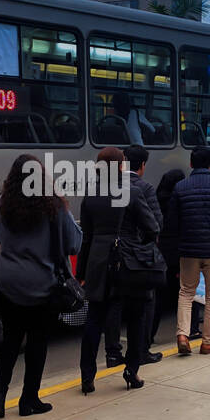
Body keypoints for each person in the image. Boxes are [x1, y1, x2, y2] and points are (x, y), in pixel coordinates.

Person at [0, 154, 81, 415]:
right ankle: (29, 400)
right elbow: (73, 243)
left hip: (6, 282)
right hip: (41, 283)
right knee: (37, 342)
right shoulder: (54, 204)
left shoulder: (2, 201)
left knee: (10, 341)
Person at [78, 148, 159, 391]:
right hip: (129, 262)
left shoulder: (90, 196)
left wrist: (81, 273)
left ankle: (87, 377)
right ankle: (131, 371)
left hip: (99, 264)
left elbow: (86, 238)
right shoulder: (132, 193)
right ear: (121, 167)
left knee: (94, 319)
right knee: (136, 317)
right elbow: (152, 227)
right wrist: (138, 247)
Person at [169, 147, 210, 355]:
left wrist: (181, 244)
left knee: (186, 292)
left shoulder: (180, 187)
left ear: (191, 164)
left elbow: (172, 222)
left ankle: (182, 335)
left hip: (189, 249)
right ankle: (208, 342)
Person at [106, 144, 164, 366]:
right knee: (145, 302)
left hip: (110, 253)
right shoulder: (144, 188)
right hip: (136, 255)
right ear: (142, 165)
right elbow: (156, 223)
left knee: (114, 302)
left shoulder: (105, 186)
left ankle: (112, 353)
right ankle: (140, 351)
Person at [152, 168, 187, 344]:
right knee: (185, 291)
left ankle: (149, 336)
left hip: (161, 253)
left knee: (158, 295)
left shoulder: (157, 198)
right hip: (179, 252)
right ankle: (185, 330)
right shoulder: (180, 201)